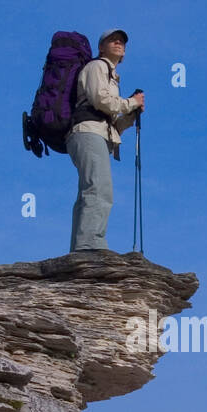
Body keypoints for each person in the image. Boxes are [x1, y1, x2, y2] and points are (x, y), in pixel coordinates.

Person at [66, 28, 145, 251]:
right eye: (112, 40)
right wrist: (131, 103)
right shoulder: (97, 66)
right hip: (87, 132)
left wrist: (129, 115)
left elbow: (110, 124)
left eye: (122, 41)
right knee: (99, 188)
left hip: (93, 133)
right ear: (101, 47)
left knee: (89, 189)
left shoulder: (110, 75)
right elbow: (100, 99)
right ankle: (90, 244)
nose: (118, 42)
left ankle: (81, 246)